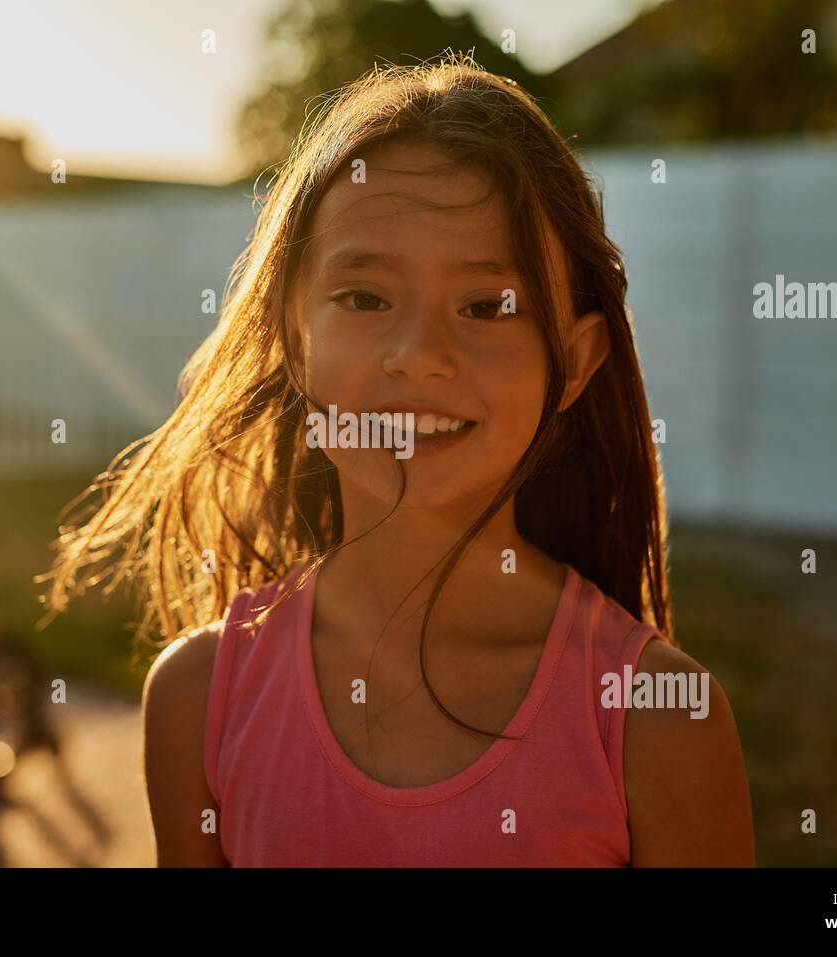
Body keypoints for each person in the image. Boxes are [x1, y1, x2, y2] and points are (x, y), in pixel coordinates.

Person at [44, 54, 754, 867]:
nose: (419, 356)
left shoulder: (655, 718)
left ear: (578, 360)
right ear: (292, 335)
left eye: (488, 306)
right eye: (366, 298)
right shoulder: (199, 698)